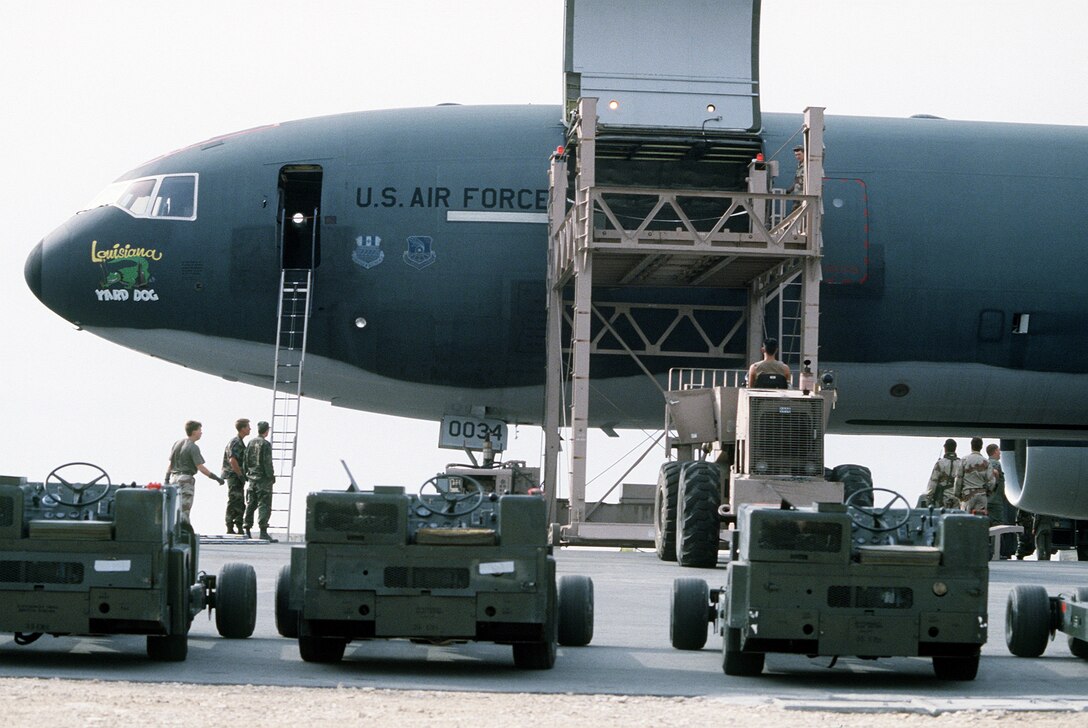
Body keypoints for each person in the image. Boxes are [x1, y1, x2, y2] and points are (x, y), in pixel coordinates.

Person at [165, 419, 224, 523]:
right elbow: (200, 467)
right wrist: (216, 478)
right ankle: (184, 533)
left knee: (174, 509)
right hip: (186, 480)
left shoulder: (177, 443)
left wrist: (166, 479)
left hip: (174, 479)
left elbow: (170, 464)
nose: (201, 432)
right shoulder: (193, 447)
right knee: (184, 510)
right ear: (193, 432)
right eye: (199, 430)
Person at [243, 420, 277, 541]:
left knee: (251, 504)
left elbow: (245, 460)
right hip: (263, 480)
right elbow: (267, 463)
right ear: (266, 430)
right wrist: (271, 476)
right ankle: (263, 531)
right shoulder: (265, 444)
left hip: (252, 478)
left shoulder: (250, 443)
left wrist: (247, 474)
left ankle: (246, 529)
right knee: (264, 505)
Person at [221, 418, 250, 535]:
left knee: (239, 501)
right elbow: (232, 460)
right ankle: (230, 526)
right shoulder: (235, 442)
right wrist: (240, 475)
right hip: (234, 476)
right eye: (248, 426)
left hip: (236, 476)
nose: (250, 429)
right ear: (242, 428)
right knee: (234, 500)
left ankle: (237, 525)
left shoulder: (239, 442)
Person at [957, 436, 996, 516]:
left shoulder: (964, 460)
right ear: (981, 447)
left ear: (971, 446)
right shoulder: (986, 462)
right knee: (980, 521)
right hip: (981, 495)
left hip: (967, 495)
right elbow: (992, 481)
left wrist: (957, 494)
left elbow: (958, 479)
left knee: (966, 520)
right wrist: (987, 492)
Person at [925, 439, 962, 509]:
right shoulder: (961, 463)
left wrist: (929, 500)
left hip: (943, 498)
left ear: (945, 448)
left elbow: (933, 483)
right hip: (957, 499)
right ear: (955, 448)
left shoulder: (940, 463)